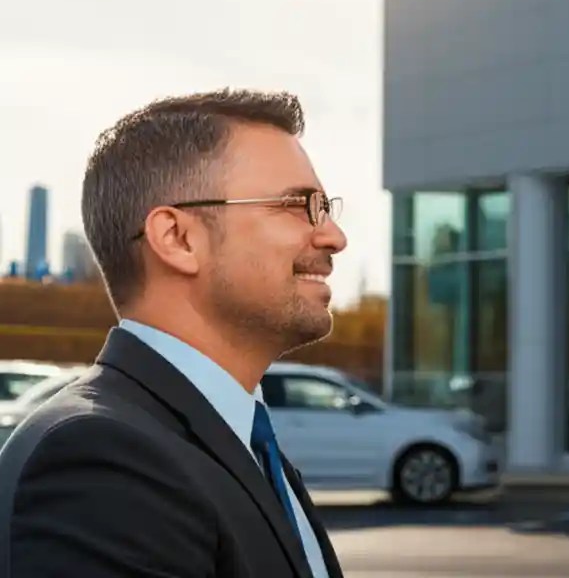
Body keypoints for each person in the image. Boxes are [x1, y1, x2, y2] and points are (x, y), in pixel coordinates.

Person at [0, 89, 348, 577]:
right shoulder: (101, 458)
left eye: (325, 206)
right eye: (297, 204)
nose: (334, 236)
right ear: (177, 238)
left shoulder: (240, 442)